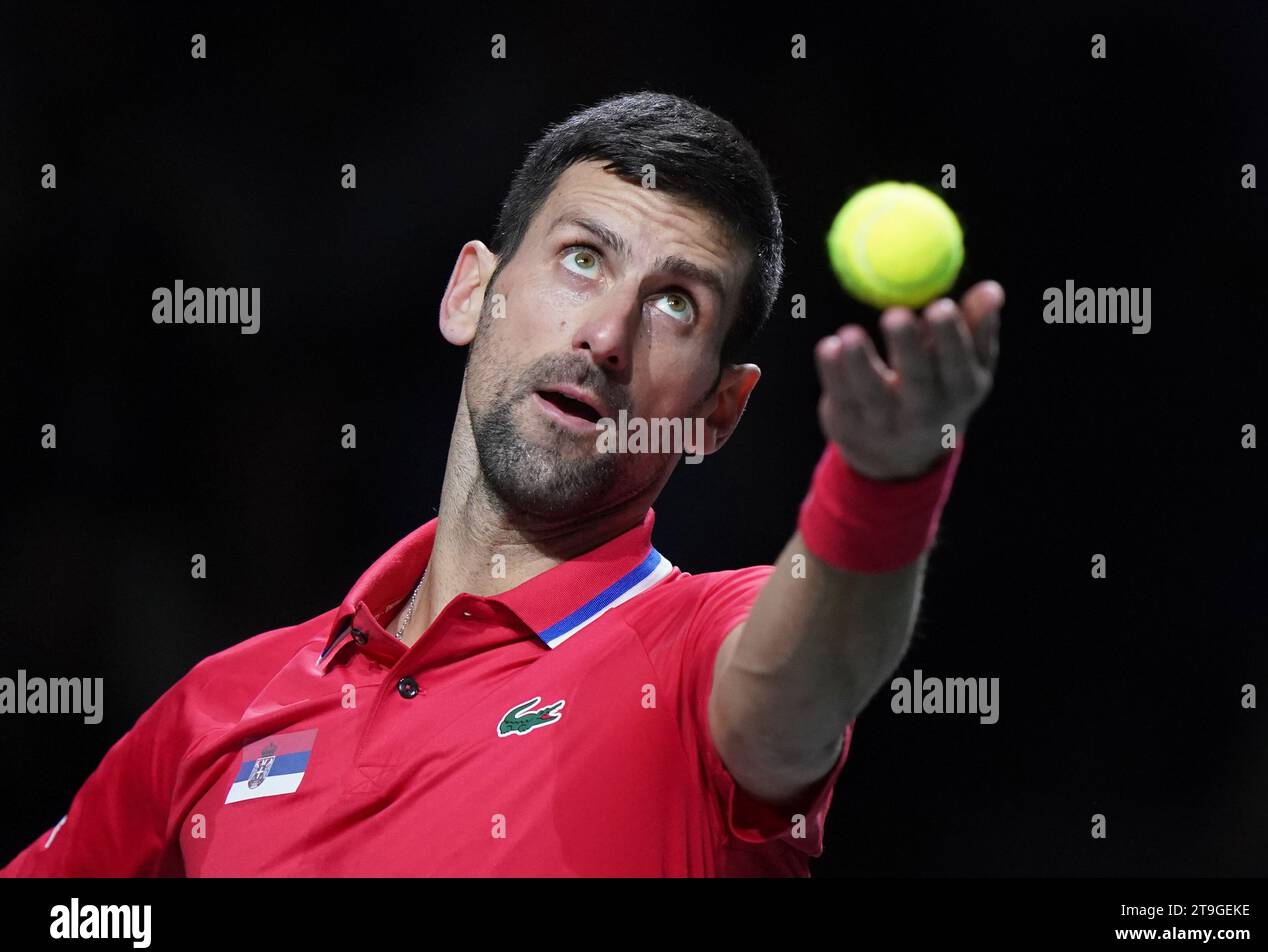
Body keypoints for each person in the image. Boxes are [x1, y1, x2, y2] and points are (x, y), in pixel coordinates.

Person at [2, 90, 1001, 877]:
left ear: (716, 413)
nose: (605, 336)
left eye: (674, 306)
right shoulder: (218, 709)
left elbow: (808, 673)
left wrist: (884, 481)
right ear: (470, 291)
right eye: (581, 259)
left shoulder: (701, 652)